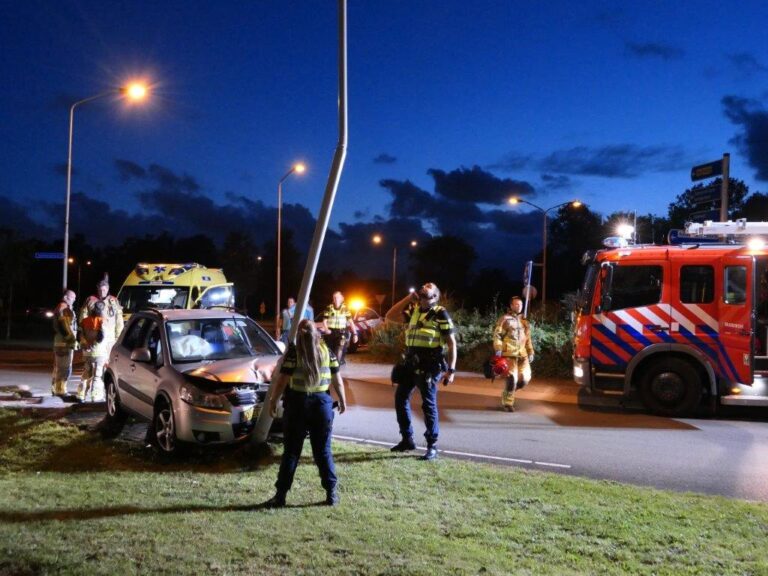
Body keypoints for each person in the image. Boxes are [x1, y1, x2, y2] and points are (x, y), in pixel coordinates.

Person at [264, 319, 347, 507]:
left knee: (291, 452)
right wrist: (342, 400)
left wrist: (273, 401)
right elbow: (338, 380)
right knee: (323, 451)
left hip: (297, 406)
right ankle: (331, 494)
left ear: (299, 334)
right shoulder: (327, 352)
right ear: (317, 334)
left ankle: (281, 496)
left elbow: (282, 380)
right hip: (322, 406)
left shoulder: (294, 353)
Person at [386, 283, 457, 461]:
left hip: (430, 364)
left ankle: (432, 446)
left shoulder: (440, 313)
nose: (426, 285)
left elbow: (451, 343)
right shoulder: (414, 311)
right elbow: (389, 316)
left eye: (430, 287)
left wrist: (451, 370)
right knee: (400, 399)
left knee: (428, 404)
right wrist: (408, 299)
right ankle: (407, 439)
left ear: (434, 296)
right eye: (424, 286)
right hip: (410, 363)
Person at [493, 296, 534, 412]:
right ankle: (508, 403)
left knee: (525, 378)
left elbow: (528, 338)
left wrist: (530, 351)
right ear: (511, 306)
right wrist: (498, 348)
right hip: (509, 354)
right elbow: (497, 335)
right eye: (516, 304)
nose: (519, 306)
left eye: (520, 305)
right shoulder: (504, 319)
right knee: (512, 379)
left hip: (523, 354)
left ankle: (509, 392)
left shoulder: (524, 321)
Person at [80, 274, 124, 358]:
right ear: (97, 289)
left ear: (107, 289)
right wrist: (83, 335)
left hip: (109, 339)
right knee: (90, 361)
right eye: (100, 290)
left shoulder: (114, 301)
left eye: (104, 290)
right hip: (92, 337)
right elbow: (83, 318)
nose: (102, 292)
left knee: (106, 363)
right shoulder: (90, 300)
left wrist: (118, 337)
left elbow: (119, 321)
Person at [77, 300, 107, 402]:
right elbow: (101, 337)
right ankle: (95, 397)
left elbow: (79, 336)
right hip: (99, 352)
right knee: (97, 376)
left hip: (87, 352)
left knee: (86, 374)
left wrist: (85, 343)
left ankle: (81, 395)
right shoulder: (102, 321)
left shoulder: (84, 321)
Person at [51, 289, 78, 397]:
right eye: (72, 298)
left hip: (61, 342)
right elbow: (64, 327)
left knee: (58, 367)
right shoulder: (64, 308)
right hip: (64, 343)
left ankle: (55, 389)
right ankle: (60, 391)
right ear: (66, 297)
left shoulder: (62, 307)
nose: (74, 300)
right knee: (64, 368)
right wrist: (72, 340)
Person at [321, 291, 358, 364]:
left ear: (342, 299)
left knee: (339, 348)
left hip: (342, 332)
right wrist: (326, 329)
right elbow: (324, 321)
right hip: (331, 332)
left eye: (337, 297)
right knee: (330, 350)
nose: (336, 299)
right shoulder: (329, 308)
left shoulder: (345, 309)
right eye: (334, 297)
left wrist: (355, 334)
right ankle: (334, 364)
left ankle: (336, 366)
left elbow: (351, 322)